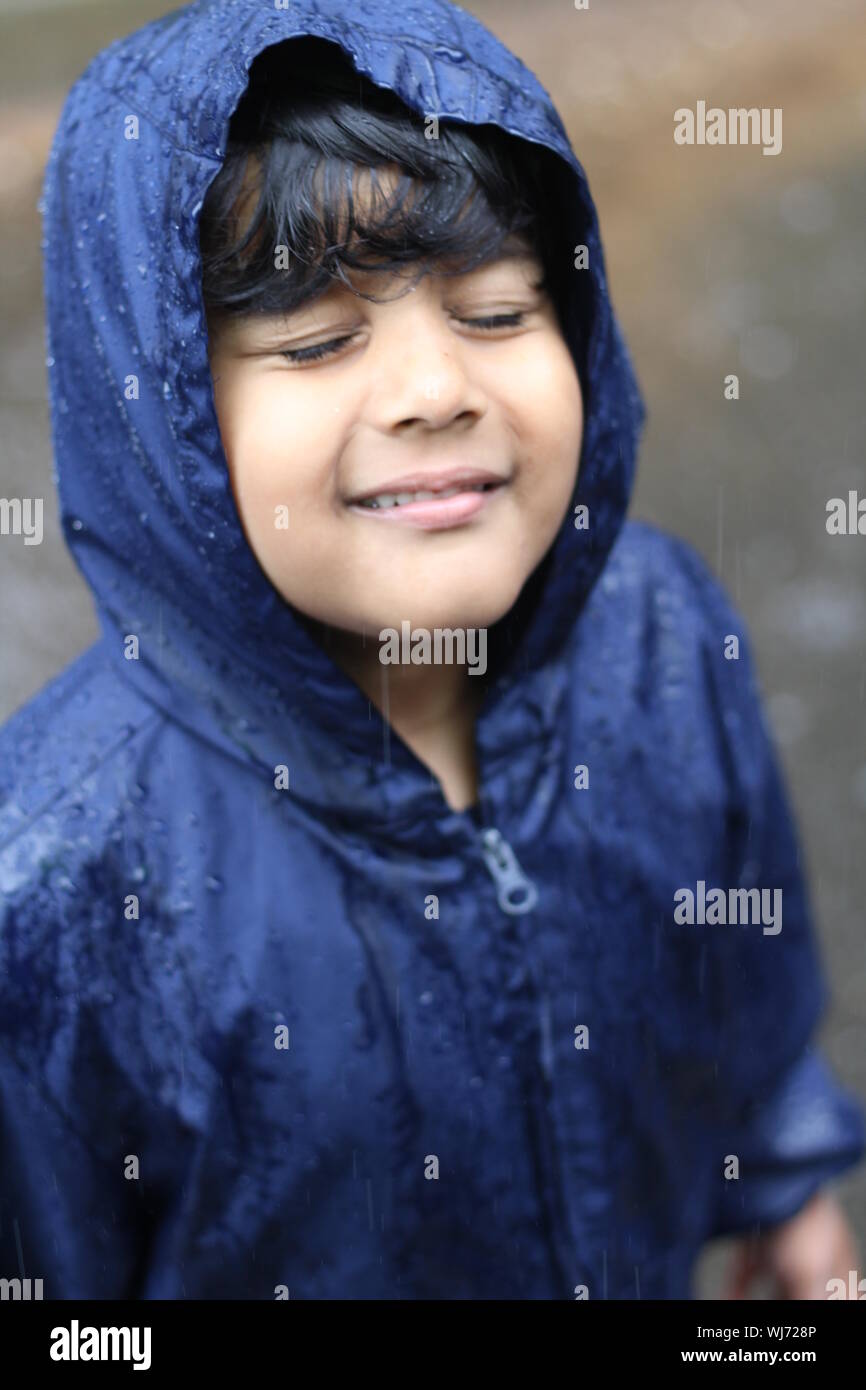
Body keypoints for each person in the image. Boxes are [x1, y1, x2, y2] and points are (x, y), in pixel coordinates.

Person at [0, 0, 862, 1300]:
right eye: (318, 341)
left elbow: (737, 966)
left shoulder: (659, 633)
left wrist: (785, 1186)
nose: (432, 389)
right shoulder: (55, 884)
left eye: (501, 313)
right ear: (160, 420)